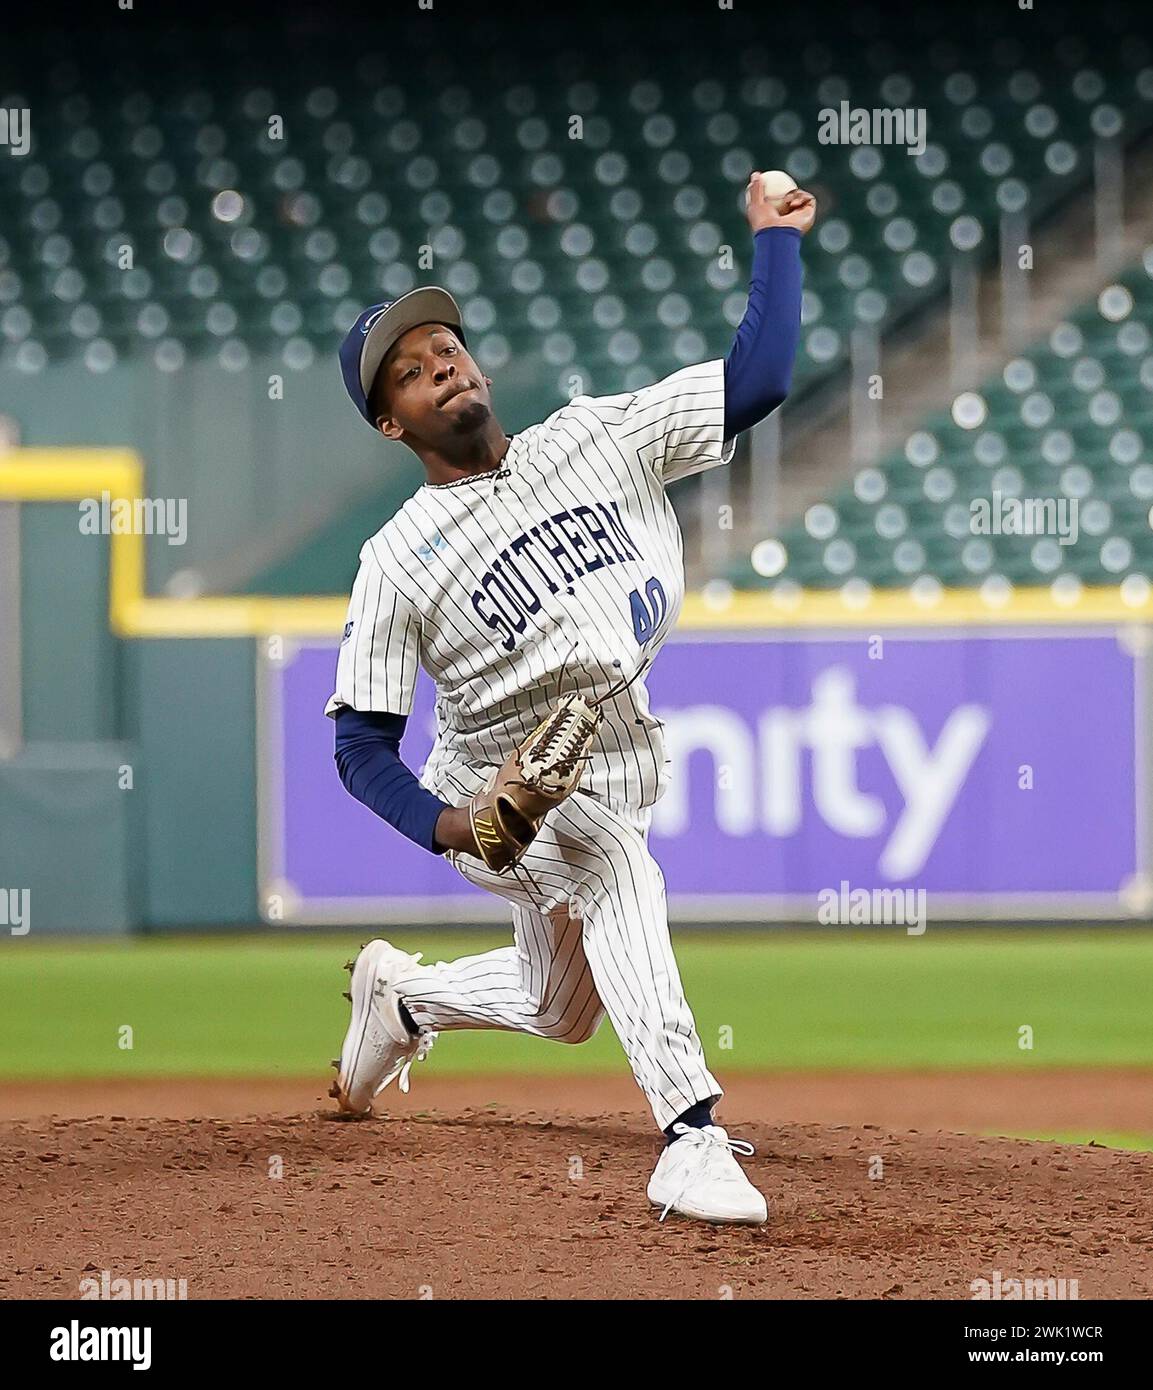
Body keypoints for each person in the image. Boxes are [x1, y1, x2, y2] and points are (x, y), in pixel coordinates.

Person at [327, 174, 815, 1223]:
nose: (437, 370)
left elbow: (760, 376)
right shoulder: (396, 559)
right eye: (408, 376)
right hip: (499, 792)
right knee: (610, 865)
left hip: (617, 757)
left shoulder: (597, 436)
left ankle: (402, 995)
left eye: (444, 349)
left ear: (478, 362)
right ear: (390, 425)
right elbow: (360, 749)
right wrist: (456, 823)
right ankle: (689, 1136)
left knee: (559, 1009)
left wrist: (772, 241)